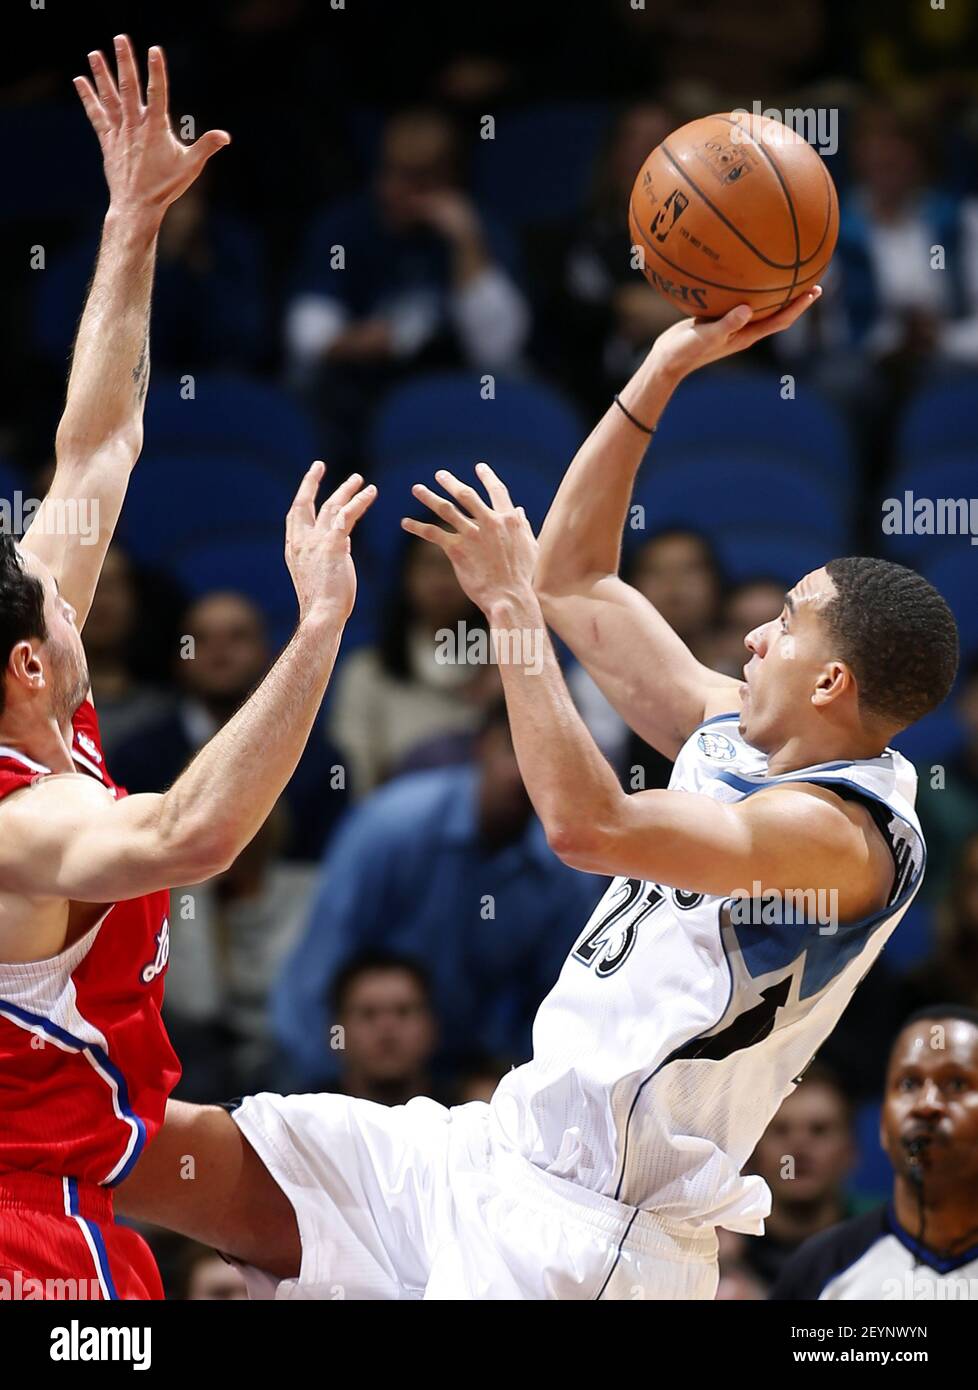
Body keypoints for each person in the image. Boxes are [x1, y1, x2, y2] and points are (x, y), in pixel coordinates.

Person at [116, 288, 958, 1301]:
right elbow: (574, 579)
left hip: (589, 1240)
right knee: (155, 1146)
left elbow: (585, 824)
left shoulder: (839, 837)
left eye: (785, 623)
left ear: (832, 684)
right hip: (486, 1152)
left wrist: (509, 615)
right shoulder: (738, 729)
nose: (754, 637)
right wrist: (664, 370)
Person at [0, 37, 375, 1302]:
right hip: (26, 1223)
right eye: (60, 609)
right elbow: (192, 833)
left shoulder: (32, 704)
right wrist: (317, 628)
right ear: (24, 665)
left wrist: (134, 219)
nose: (81, 598)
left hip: (85, 1176)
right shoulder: (28, 821)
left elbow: (98, 442)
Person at [273, 700, 602, 1087]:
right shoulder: (391, 826)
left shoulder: (570, 871)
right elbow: (316, 972)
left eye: (551, 757)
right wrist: (327, 1090)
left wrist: (521, 1084)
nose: (528, 772)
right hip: (355, 1065)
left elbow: (566, 1007)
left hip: (470, 1070)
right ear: (481, 746)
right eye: (515, 751)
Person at [113, 590, 349, 860]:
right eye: (200, 639)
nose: (219, 651)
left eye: (237, 636)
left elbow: (323, 867)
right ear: (178, 657)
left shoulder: (320, 761)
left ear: (269, 653)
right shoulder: (135, 757)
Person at [771, 1006, 978, 1299]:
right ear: (882, 1124)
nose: (926, 1104)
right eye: (909, 1084)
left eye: (956, 1083)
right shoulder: (816, 1270)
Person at [741, 1065, 857, 1289]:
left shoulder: (885, 1249)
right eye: (781, 1130)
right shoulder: (709, 1260)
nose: (799, 1147)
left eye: (819, 1130)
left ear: (850, 1151)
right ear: (751, 1151)